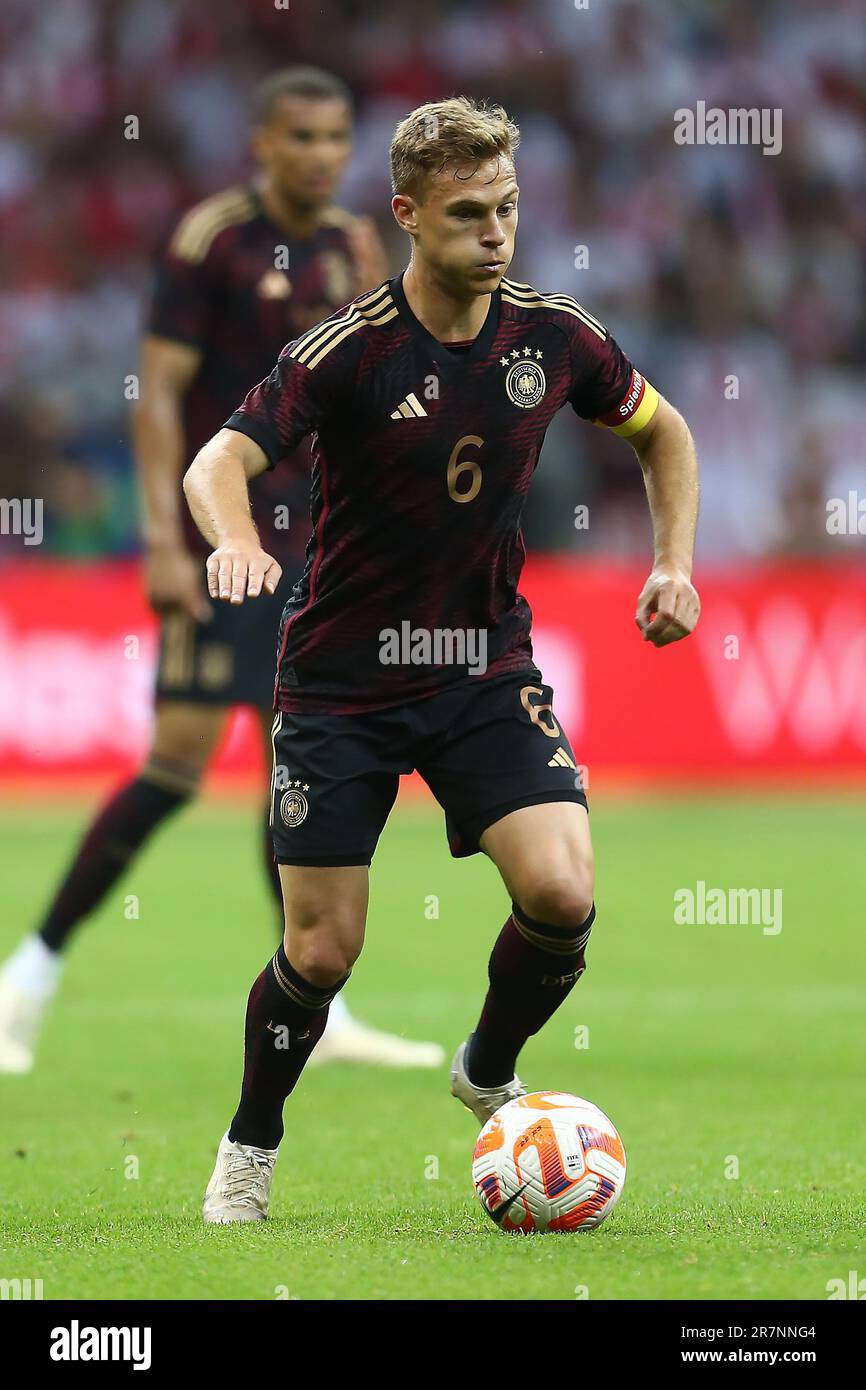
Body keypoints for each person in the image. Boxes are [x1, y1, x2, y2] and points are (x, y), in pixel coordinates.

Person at [182, 95, 701, 1224]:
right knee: (321, 951)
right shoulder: (346, 350)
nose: (496, 233)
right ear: (408, 214)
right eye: (470, 213)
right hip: (340, 686)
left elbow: (663, 430)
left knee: (563, 892)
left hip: (480, 671)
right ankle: (250, 1144)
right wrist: (231, 539)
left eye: (508, 209)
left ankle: (484, 1064)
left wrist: (671, 562)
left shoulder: (553, 336)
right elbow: (215, 462)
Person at [0, 67, 443, 1076]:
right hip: (223, 539)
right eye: (300, 135)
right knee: (176, 765)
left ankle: (315, 1004)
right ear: (260, 142)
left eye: (335, 136)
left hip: (319, 551)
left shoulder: (352, 246)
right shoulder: (210, 243)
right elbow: (157, 396)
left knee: (295, 768)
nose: (321, 153)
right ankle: (26, 972)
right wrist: (165, 537)